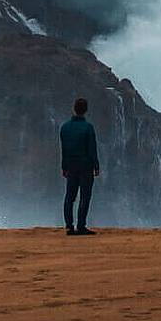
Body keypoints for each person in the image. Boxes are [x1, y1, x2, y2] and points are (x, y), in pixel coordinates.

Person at [58, 97, 100, 235]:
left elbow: (63, 149)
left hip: (70, 165)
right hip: (86, 166)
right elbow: (92, 149)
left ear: (73, 109)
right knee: (85, 196)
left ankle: (69, 226)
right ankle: (81, 225)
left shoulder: (65, 128)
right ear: (86, 110)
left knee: (70, 196)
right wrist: (96, 165)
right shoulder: (88, 128)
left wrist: (64, 167)